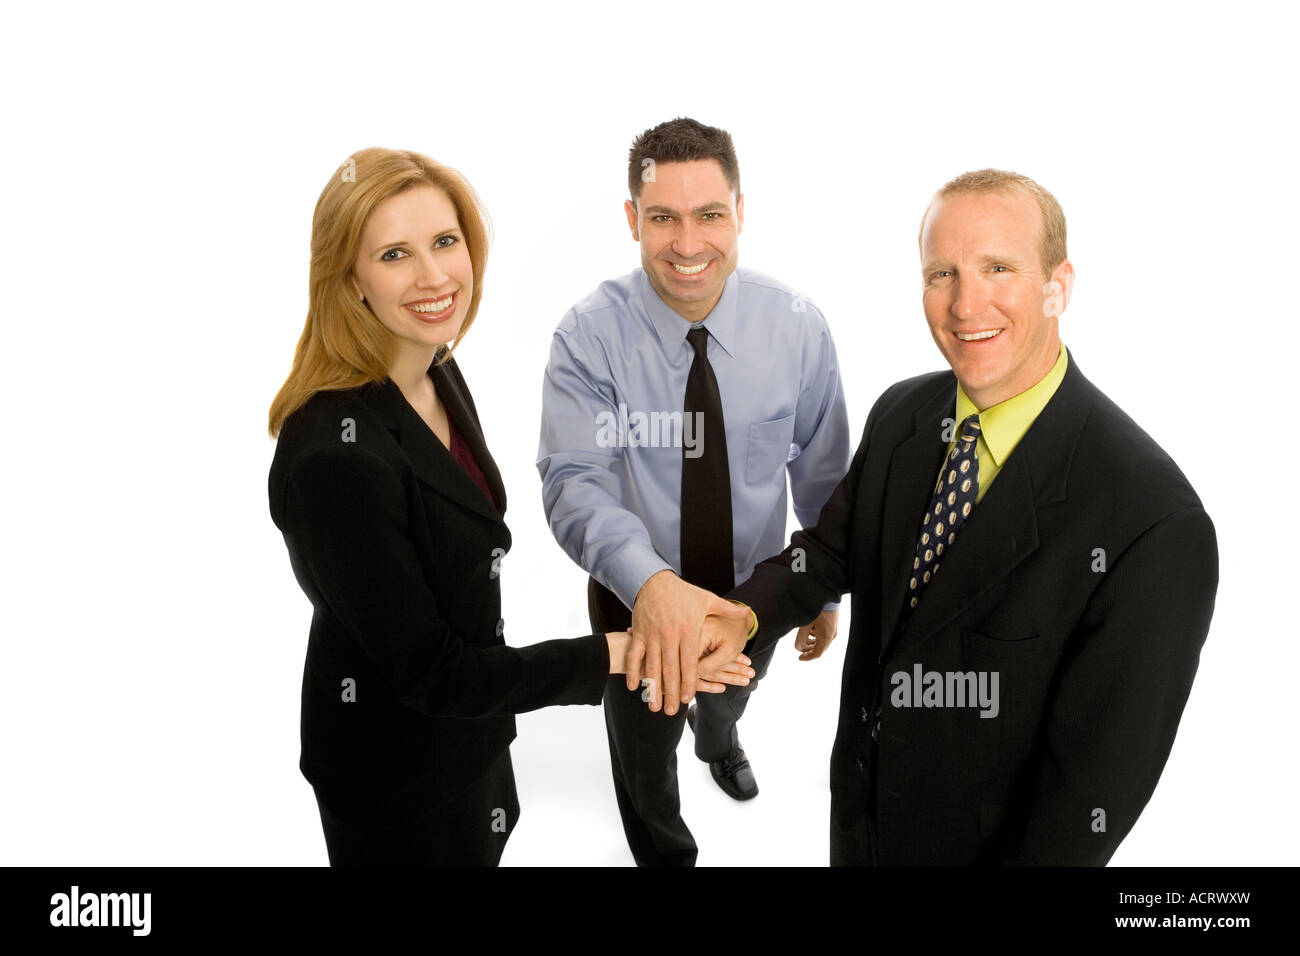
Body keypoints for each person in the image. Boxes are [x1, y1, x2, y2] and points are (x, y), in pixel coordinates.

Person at [692, 169, 1220, 865]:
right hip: (860, 828)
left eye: (998, 268)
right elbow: (832, 552)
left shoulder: (1153, 522)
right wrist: (747, 613)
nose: (966, 304)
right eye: (942, 273)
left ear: (1058, 285)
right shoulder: (904, 414)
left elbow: (1090, 793)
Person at [266, 148, 753, 866]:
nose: (435, 277)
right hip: (397, 783)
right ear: (350, 281)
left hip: (472, 741)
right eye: (396, 254)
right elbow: (435, 672)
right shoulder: (336, 458)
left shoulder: (432, 366)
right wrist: (625, 654)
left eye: (445, 241)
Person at [537, 118, 851, 866]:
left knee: (729, 699)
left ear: (740, 212)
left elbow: (825, 475)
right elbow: (573, 479)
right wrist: (652, 585)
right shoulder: (587, 337)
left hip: (755, 593)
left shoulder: (799, 329)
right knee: (644, 760)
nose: (687, 244)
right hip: (633, 596)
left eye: (709, 214)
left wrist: (824, 594)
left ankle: (720, 739)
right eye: (662, 218)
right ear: (631, 220)